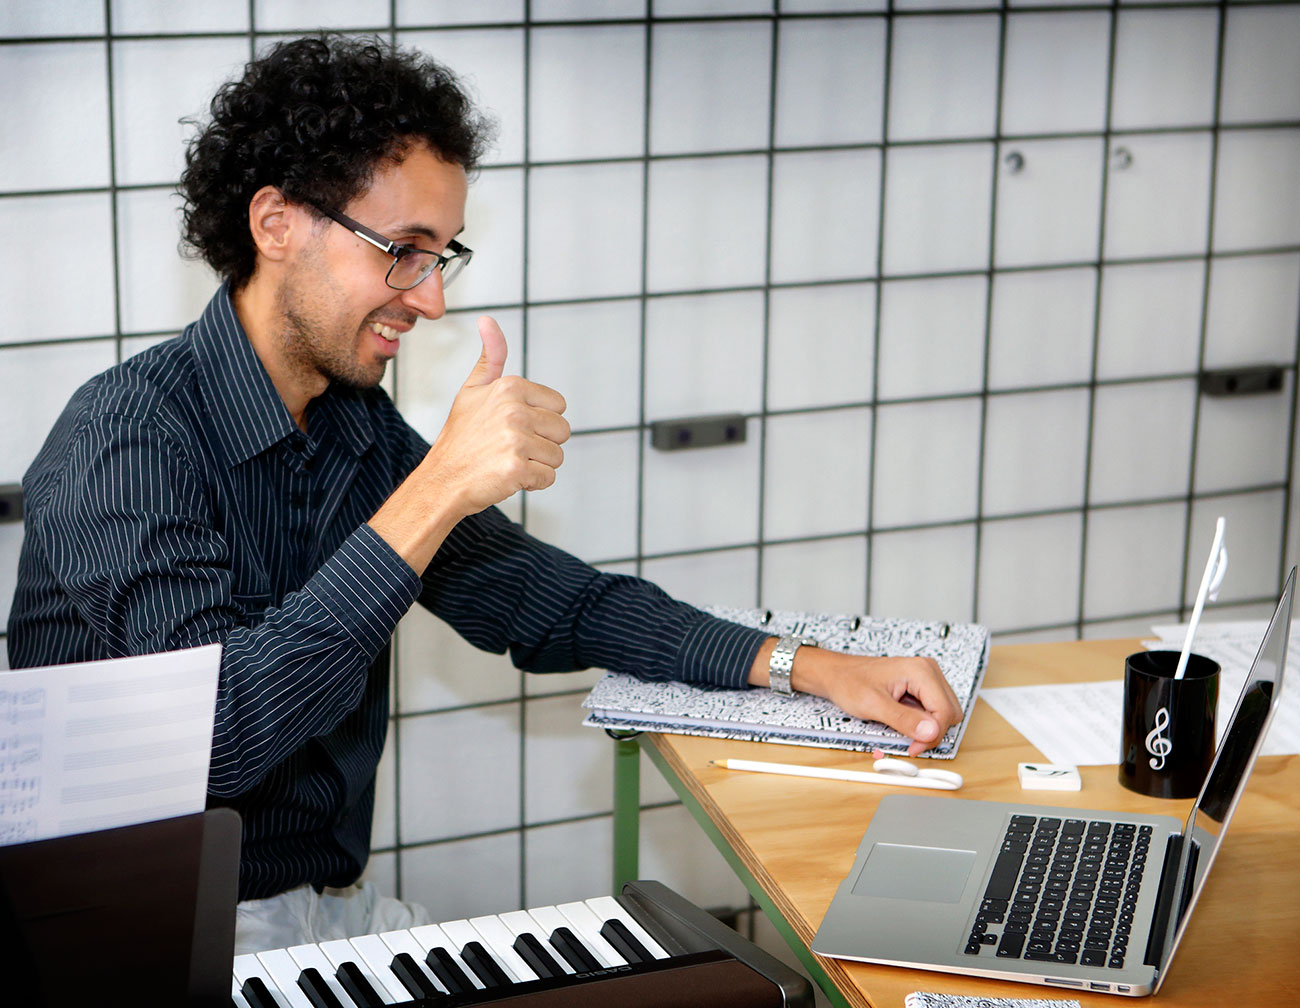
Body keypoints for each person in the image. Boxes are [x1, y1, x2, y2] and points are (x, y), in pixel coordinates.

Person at [6, 34, 960, 952]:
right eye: (403, 250)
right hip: (134, 931)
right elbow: (215, 739)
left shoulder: (351, 423)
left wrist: (812, 667)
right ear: (275, 223)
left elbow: (554, 604)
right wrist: (438, 489)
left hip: (314, 907)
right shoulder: (125, 436)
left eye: (441, 257)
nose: (430, 300)